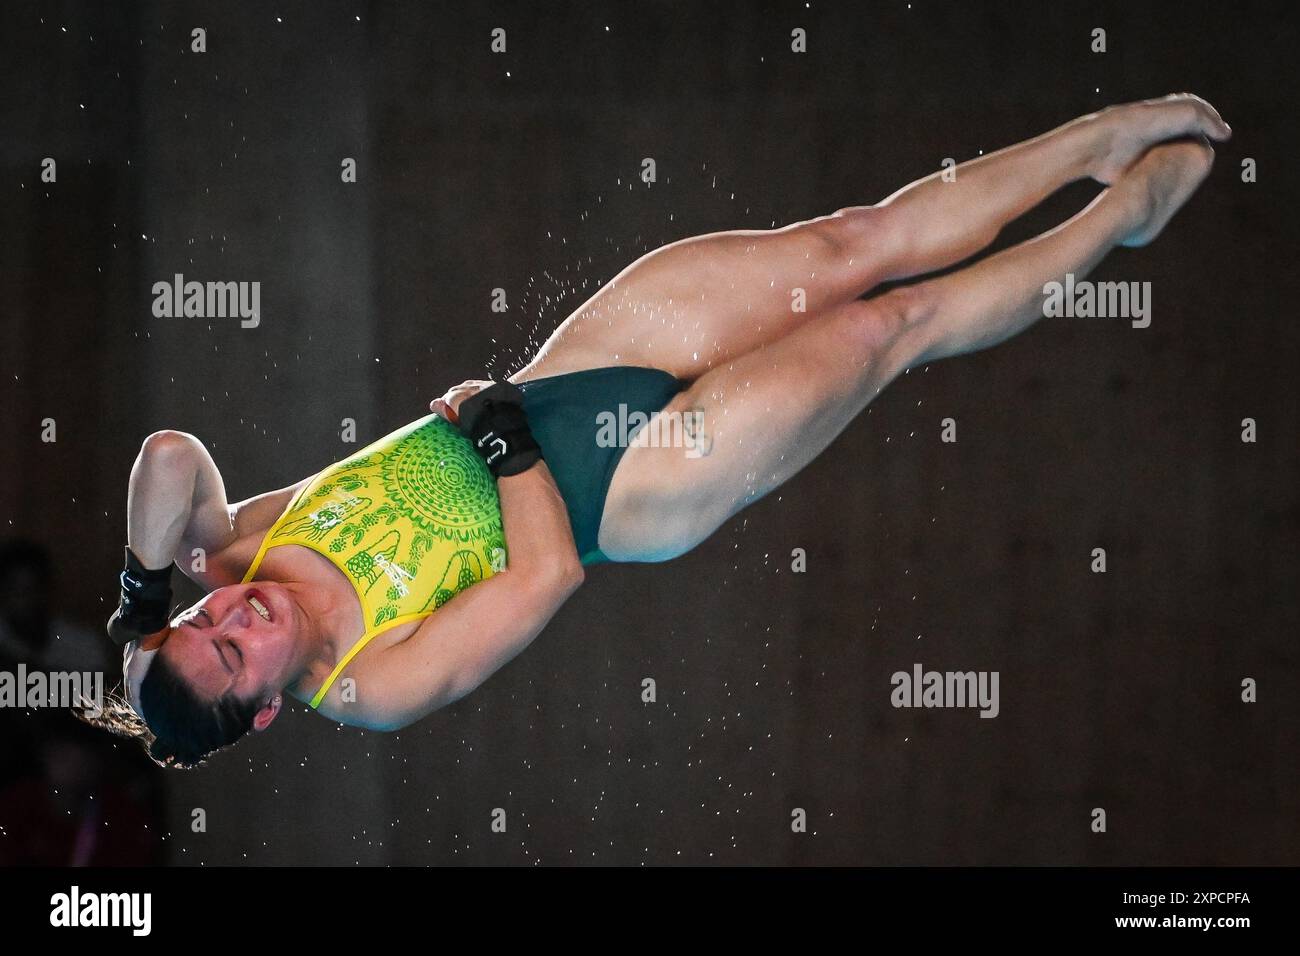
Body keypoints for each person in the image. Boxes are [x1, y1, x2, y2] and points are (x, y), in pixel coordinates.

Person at [88, 95, 1229, 767]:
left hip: (568, 372)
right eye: (232, 648)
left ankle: (1093, 138)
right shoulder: (372, 684)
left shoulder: (238, 552)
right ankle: (1121, 218)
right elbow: (539, 580)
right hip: (627, 490)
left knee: (848, 244)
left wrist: (146, 590)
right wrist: (493, 438)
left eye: (204, 613)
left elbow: (167, 458)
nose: (237, 609)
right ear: (271, 703)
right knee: (892, 325)